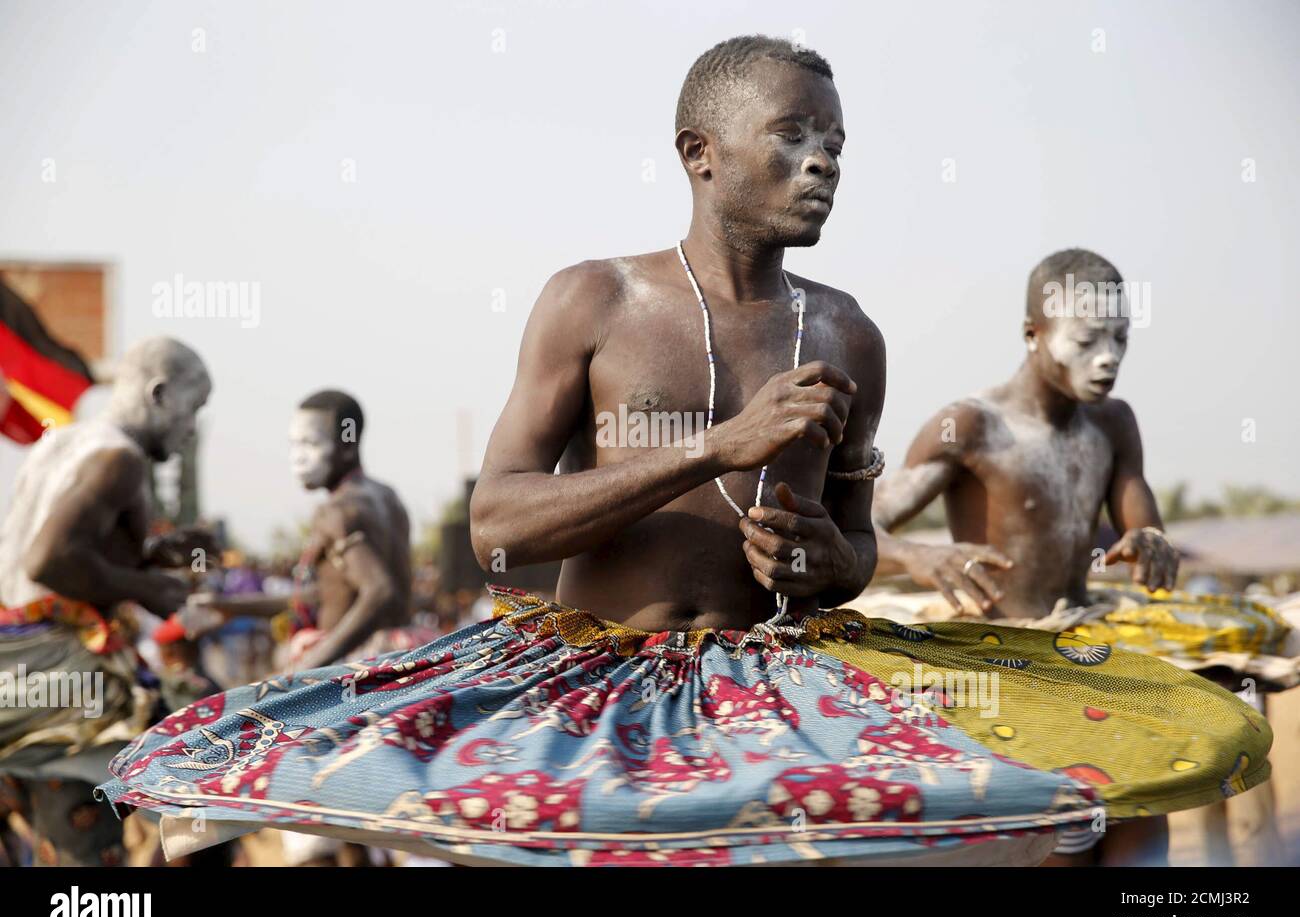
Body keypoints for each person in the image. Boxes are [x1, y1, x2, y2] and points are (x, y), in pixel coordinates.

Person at [98, 37, 1269, 868]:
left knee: (1116, 798)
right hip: (596, 680)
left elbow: (859, 548)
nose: (824, 163)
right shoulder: (592, 301)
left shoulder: (847, 328)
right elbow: (498, 525)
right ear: (698, 151)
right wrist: (715, 445)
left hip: (788, 679)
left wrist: (826, 555)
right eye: (794, 137)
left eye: (838, 143)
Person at [866, 248, 1295, 863]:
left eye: (1121, 338)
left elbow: (1137, 511)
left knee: (1172, 767)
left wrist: (1151, 540)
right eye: (1088, 339)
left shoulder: (1112, 423)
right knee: (1066, 827)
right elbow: (864, 528)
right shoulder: (971, 425)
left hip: (1085, 629)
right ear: (1033, 335)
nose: (1109, 358)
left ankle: (1222, 877)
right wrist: (919, 557)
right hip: (1004, 643)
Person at [0, 337, 214, 865]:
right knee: (214, 766)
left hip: (19, 674)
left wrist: (154, 554)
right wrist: (150, 588)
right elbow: (47, 561)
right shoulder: (120, 458)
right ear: (160, 394)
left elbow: (69, 557)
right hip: (67, 692)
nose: (191, 430)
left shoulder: (63, 442)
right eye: (194, 410)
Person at [187, 389, 414, 670]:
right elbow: (326, 594)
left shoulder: (337, 509)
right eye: (293, 445)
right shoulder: (388, 498)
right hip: (405, 656)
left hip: (361, 664)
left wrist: (307, 667)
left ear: (348, 446)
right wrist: (229, 606)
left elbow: (380, 591)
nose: (297, 458)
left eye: (310, 444)